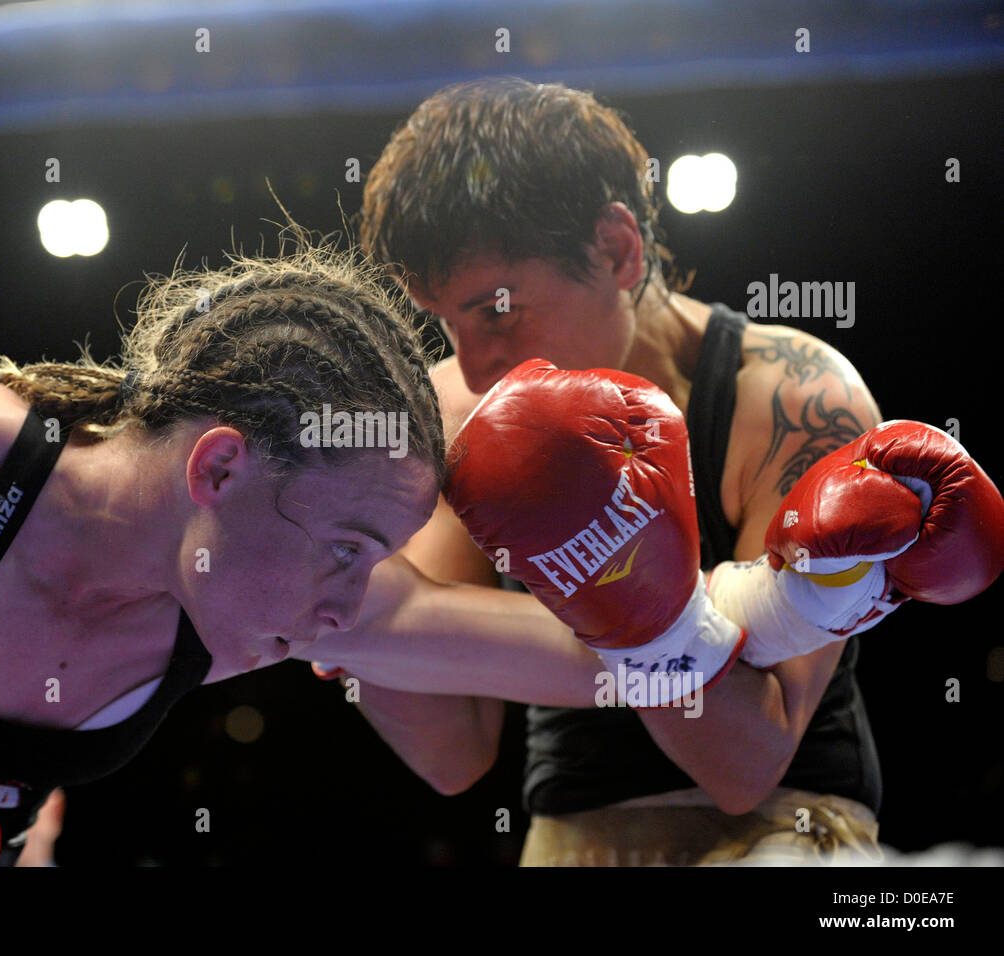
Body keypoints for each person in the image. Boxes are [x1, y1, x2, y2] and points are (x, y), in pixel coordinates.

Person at [300, 76, 1002, 865]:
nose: (473, 361)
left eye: (498, 310)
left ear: (616, 249)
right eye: (445, 322)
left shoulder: (789, 396)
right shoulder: (456, 409)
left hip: (784, 827)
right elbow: (452, 755)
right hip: (573, 838)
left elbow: (746, 766)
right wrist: (338, 595)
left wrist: (623, 599)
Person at [0, 241, 444, 866]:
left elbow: (467, 751)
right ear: (219, 469)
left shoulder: (245, 599)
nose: (347, 610)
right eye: (348, 548)